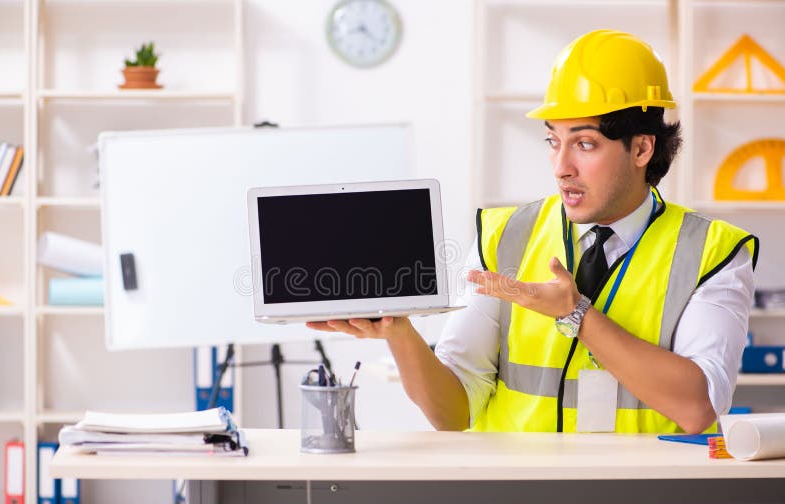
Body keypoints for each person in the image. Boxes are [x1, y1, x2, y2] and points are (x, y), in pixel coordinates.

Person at [307, 29, 758, 435]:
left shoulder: (714, 252)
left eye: (584, 144)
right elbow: (452, 413)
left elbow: (699, 408)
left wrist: (576, 314)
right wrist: (399, 332)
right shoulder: (505, 236)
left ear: (642, 147)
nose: (562, 167)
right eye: (552, 141)